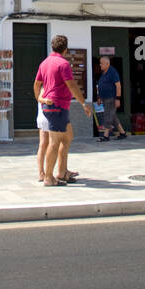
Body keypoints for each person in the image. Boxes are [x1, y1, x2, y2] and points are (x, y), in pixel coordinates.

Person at [34, 35, 91, 186]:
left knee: (68, 136)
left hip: (55, 106)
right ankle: (48, 177)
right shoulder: (63, 64)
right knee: (54, 142)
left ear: (52, 47)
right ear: (65, 49)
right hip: (57, 106)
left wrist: (39, 99)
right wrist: (83, 103)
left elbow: (36, 84)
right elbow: (71, 85)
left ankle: (61, 172)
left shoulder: (45, 63)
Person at [94, 55, 127, 141]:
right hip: (104, 99)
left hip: (111, 98)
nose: (100, 65)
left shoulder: (113, 72)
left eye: (101, 63)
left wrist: (118, 98)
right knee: (113, 116)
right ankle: (122, 133)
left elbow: (118, 86)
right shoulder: (103, 73)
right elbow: (101, 86)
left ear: (107, 63)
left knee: (108, 116)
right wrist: (99, 97)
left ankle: (106, 136)